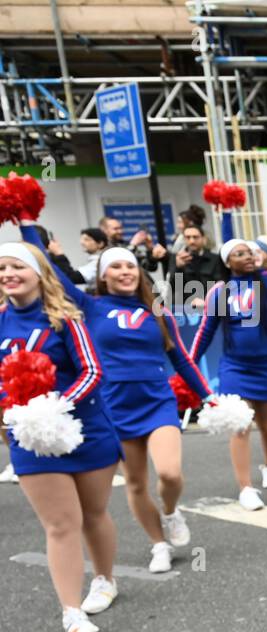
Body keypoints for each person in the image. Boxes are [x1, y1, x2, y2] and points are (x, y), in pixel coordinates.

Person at [21, 219, 211, 574]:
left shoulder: (158, 312)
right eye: (116, 267)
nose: (125, 272)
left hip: (157, 401)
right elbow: (49, 271)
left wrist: (208, 397)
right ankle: (158, 544)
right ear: (103, 276)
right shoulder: (89, 307)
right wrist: (28, 225)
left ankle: (170, 511)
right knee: (136, 484)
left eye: (130, 266)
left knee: (169, 473)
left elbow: (182, 359)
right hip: (113, 406)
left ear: (139, 273)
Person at [0, 240, 120, 632]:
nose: (8, 274)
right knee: (60, 524)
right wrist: (16, 415)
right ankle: (72, 613)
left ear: (39, 272)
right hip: (31, 439)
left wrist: (57, 406)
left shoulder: (65, 319)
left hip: (85, 431)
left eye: (17, 265)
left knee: (93, 514)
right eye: (2, 268)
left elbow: (92, 371)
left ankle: (104, 579)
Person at [189, 211, 267, 510]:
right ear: (229, 262)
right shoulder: (220, 291)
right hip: (234, 367)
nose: (250, 256)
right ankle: (245, 488)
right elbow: (205, 333)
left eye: (251, 252)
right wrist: (188, 365)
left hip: (266, 364)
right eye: (241, 253)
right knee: (240, 425)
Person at [174, 224, 224, 312]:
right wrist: (178, 268)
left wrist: (206, 300)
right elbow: (173, 287)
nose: (192, 241)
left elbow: (220, 285)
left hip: (212, 308)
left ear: (203, 238)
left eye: (195, 237)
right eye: (188, 237)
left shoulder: (215, 259)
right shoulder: (178, 259)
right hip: (187, 310)